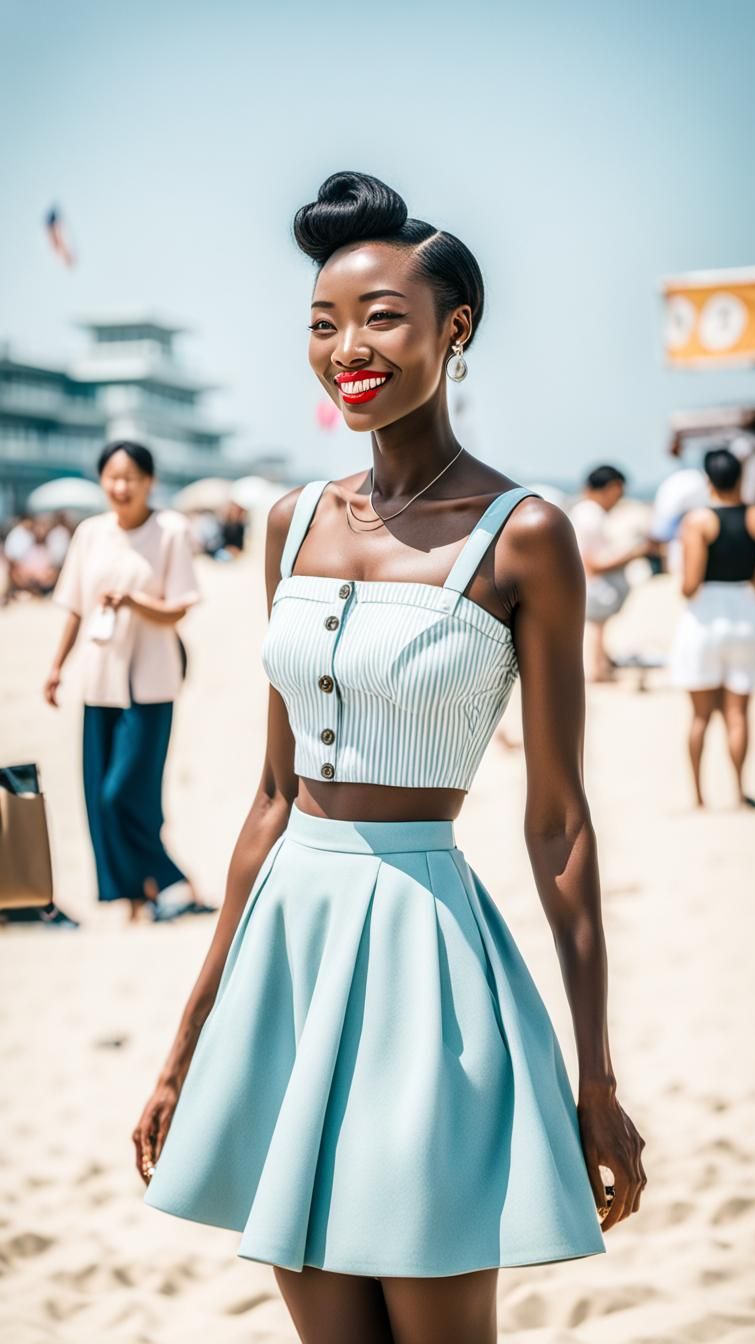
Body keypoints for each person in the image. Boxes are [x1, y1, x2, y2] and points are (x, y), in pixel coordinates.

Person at [136, 172, 645, 1344]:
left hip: (425, 959)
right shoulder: (292, 520)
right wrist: (188, 1038)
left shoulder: (524, 535)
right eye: (323, 322)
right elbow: (271, 798)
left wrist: (597, 1076)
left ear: (453, 329)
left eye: (381, 316)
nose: (346, 347)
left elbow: (557, 821)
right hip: (288, 961)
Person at [44, 440, 215, 923]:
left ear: (149, 482)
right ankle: (137, 898)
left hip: (153, 682)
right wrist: (57, 667)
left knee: (126, 793)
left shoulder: (171, 531)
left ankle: (173, 881)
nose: (120, 487)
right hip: (98, 680)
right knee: (99, 797)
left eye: (130, 478)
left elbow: (180, 606)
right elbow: (76, 606)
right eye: (112, 478)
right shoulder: (89, 533)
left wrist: (135, 601)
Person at [668, 446, 755, 809]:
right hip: (748, 614)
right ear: (741, 478)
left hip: (706, 618)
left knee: (700, 716)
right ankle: (739, 792)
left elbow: (689, 585)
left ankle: (698, 796)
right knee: (739, 713)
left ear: (708, 479)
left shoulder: (698, 521)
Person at [569, 466, 649, 682]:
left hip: (586, 585)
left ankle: (601, 666)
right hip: (593, 585)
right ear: (611, 488)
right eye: (618, 493)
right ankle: (598, 670)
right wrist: (634, 553)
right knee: (596, 627)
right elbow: (593, 562)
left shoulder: (583, 512)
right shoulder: (591, 515)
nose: (619, 499)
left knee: (597, 628)